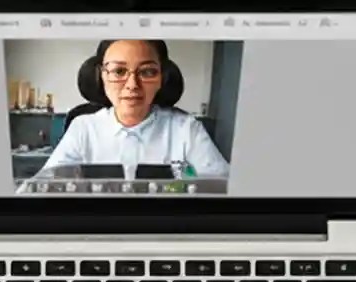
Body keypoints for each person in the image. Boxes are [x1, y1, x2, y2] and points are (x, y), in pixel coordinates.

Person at [38, 39, 231, 180]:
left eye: (147, 72)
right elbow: (43, 185)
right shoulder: (83, 128)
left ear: (162, 79)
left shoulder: (186, 129)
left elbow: (222, 187)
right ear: (102, 77)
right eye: (119, 71)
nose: (132, 85)